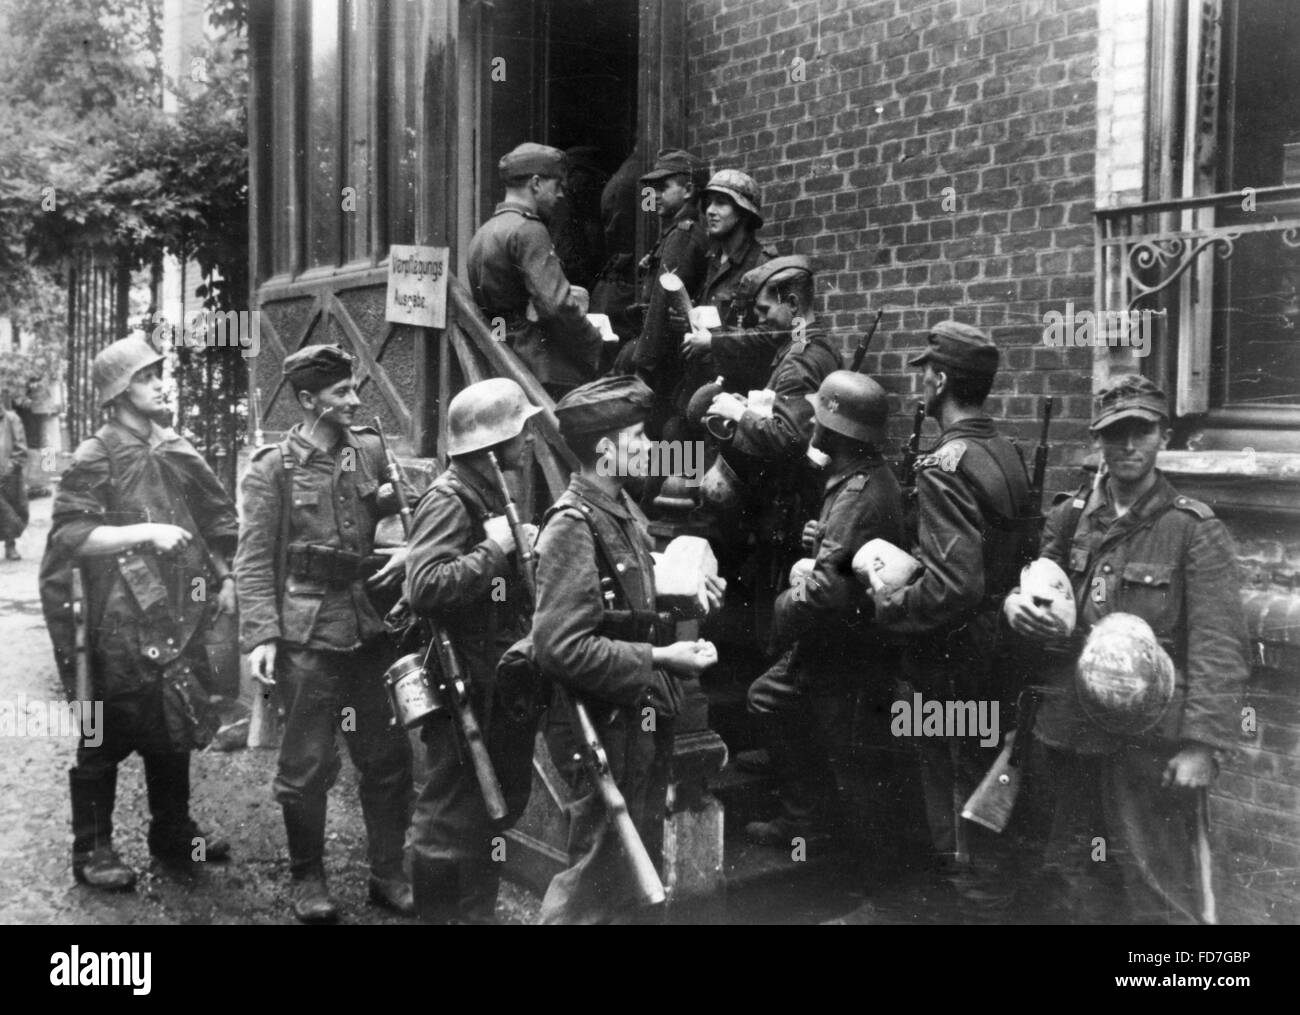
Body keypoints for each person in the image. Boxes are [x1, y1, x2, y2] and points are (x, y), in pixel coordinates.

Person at [1005, 374, 1248, 923]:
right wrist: (1013, 608)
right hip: (1069, 730)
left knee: (1157, 884)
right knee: (1070, 876)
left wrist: (1202, 745)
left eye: (1142, 431)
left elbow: (1219, 645)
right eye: (1116, 434)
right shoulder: (1070, 518)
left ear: (1163, 435)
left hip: (1149, 745)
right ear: (1100, 441)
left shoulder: (1192, 529)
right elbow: (1038, 587)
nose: (1129, 446)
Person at [40, 336, 237, 890]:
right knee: (106, 729)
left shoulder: (173, 445)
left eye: (158, 374)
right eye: (148, 377)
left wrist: (223, 578)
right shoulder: (96, 452)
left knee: (173, 720)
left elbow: (212, 517)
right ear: (122, 390)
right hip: (118, 620)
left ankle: (174, 833)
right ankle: (93, 850)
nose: (159, 383)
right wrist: (146, 530)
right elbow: (71, 535)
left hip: (178, 609)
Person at [234, 344, 415, 924]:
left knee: (387, 758)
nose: (355, 399)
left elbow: (405, 519)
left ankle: (388, 875)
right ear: (308, 399)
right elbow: (254, 559)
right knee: (307, 765)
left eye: (354, 389)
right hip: (308, 633)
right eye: (341, 393)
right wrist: (261, 634)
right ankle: (308, 879)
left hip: (370, 626)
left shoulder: (369, 449)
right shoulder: (273, 468)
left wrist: (410, 551)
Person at [533, 375, 721, 923]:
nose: (647, 448)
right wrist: (662, 658)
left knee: (626, 873)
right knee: (595, 873)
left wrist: (688, 596)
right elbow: (561, 648)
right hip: (597, 725)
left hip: (631, 721)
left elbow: (621, 609)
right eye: (637, 438)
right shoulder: (572, 524)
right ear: (604, 449)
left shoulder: (617, 513)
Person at [872, 321, 1037, 912]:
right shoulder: (1008, 450)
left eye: (925, 372)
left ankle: (973, 905)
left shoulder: (945, 464)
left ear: (940, 380)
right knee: (988, 791)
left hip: (953, 661)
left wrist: (890, 605)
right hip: (1002, 651)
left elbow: (953, 585)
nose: (920, 381)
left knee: (957, 800)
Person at [745, 371, 904, 854]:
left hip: (839, 645)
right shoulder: (866, 479)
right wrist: (824, 541)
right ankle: (815, 822)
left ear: (834, 430)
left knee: (768, 700)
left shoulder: (855, 492)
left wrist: (777, 614)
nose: (812, 424)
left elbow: (823, 591)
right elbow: (845, 556)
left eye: (818, 417)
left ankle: (809, 823)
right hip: (854, 639)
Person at [403, 377, 541, 924]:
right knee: (446, 817)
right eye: (519, 429)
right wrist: (495, 550)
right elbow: (424, 587)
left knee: (492, 807)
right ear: (490, 443)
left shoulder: (490, 490)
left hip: (496, 676)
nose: (527, 440)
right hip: (461, 677)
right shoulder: (449, 497)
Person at [699, 256, 841, 636]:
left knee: (774, 613)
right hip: (802, 503)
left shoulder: (800, 360)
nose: (759, 318)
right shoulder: (815, 349)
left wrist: (738, 413)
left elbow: (788, 438)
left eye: (765, 309)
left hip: (788, 505)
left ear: (792, 305)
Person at [468, 142, 604, 400]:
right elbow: (556, 306)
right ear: (536, 183)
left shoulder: (483, 233)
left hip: (501, 358)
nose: (561, 195)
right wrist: (592, 341)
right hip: (538, 368)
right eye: (557, 186)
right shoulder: (530, 230)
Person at [621, 148, 710, 433]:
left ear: (688, 190)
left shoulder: (682, 235)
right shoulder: (672, 233)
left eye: (663, 187)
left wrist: (643, 368)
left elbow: (661, 304)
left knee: (655, 434)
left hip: (665, 361)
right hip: (666, 356)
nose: (655, 195)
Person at [675, 169, 780, 402]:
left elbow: (771, 335)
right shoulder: (711, 261)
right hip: (700, 385)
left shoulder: (763, 266)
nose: (710, 211)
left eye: (721, 203)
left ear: (743, 213)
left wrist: (714, 342)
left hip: (738, 394)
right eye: (709, 203)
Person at [0, 404, 28, 559]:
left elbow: (20, 447)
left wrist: (8, 469)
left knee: (10, 509)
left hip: (8, 474)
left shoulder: (12, 419)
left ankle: (10, 546)